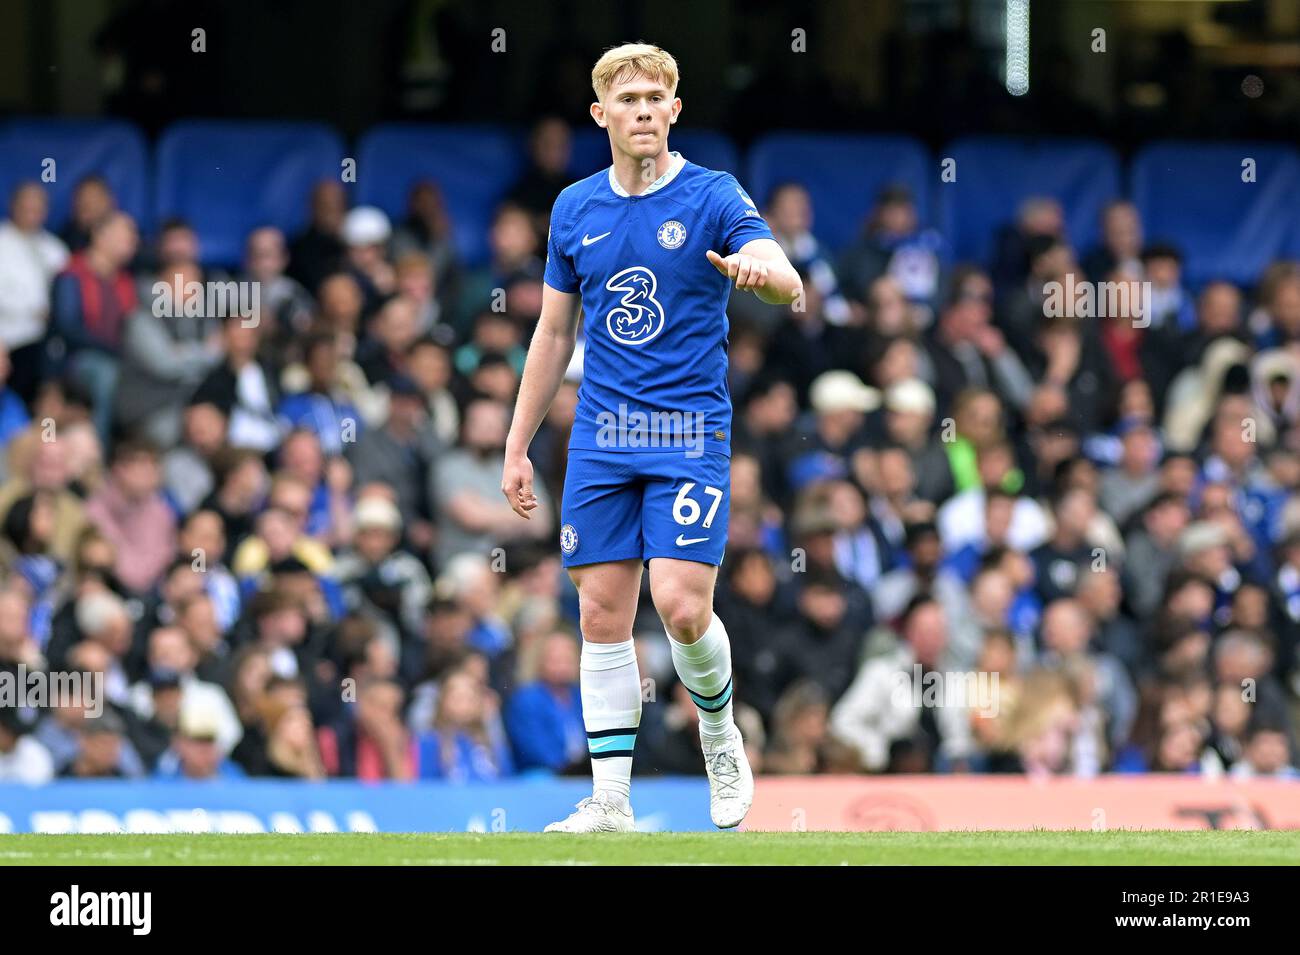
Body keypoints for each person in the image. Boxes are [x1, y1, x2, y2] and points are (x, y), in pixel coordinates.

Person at [500, 44, 801, 832]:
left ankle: (718, 731)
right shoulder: (572, 209)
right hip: (601, 434)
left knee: (680, 607)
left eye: (655, 97)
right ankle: (610, 799)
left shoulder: (712, 194)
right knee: (600, 613)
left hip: (687, 430)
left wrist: (761, 271)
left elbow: (787, 275)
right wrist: (517, 441)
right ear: (601, 115)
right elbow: (554, 332)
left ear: (674, 111)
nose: (642, 108)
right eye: (626, 97)